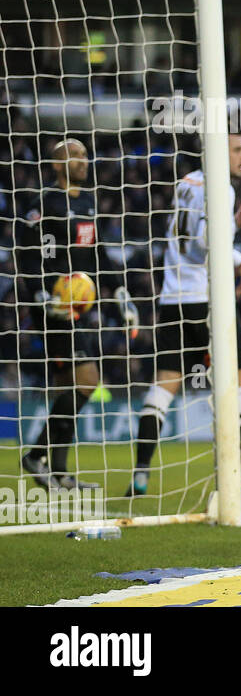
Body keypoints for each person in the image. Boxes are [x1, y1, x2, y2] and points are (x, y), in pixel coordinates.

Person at [127, 133, 241, 497]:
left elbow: (188, 240)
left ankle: (140, 474)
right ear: (217, 153)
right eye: (237, 149)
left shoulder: (186, 183)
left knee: (164, 385)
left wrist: (236, 250)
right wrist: (237, 231)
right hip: (205, 301)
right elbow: (202, 246)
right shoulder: (220, 188)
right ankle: (240, 475)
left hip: (172, 299)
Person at [15, 138, 137, 490]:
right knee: (88, 381)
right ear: (57, 165)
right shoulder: (43, 204)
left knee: (74, 384)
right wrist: (42, 293)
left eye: (86, 155)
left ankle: (57, 470)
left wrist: (119, 295)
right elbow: (27, 254)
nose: (84, 161)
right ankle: (36, 455)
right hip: (53, 308)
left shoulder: (87, 202)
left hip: (78, 308)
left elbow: (98, 255)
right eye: (76, 156)